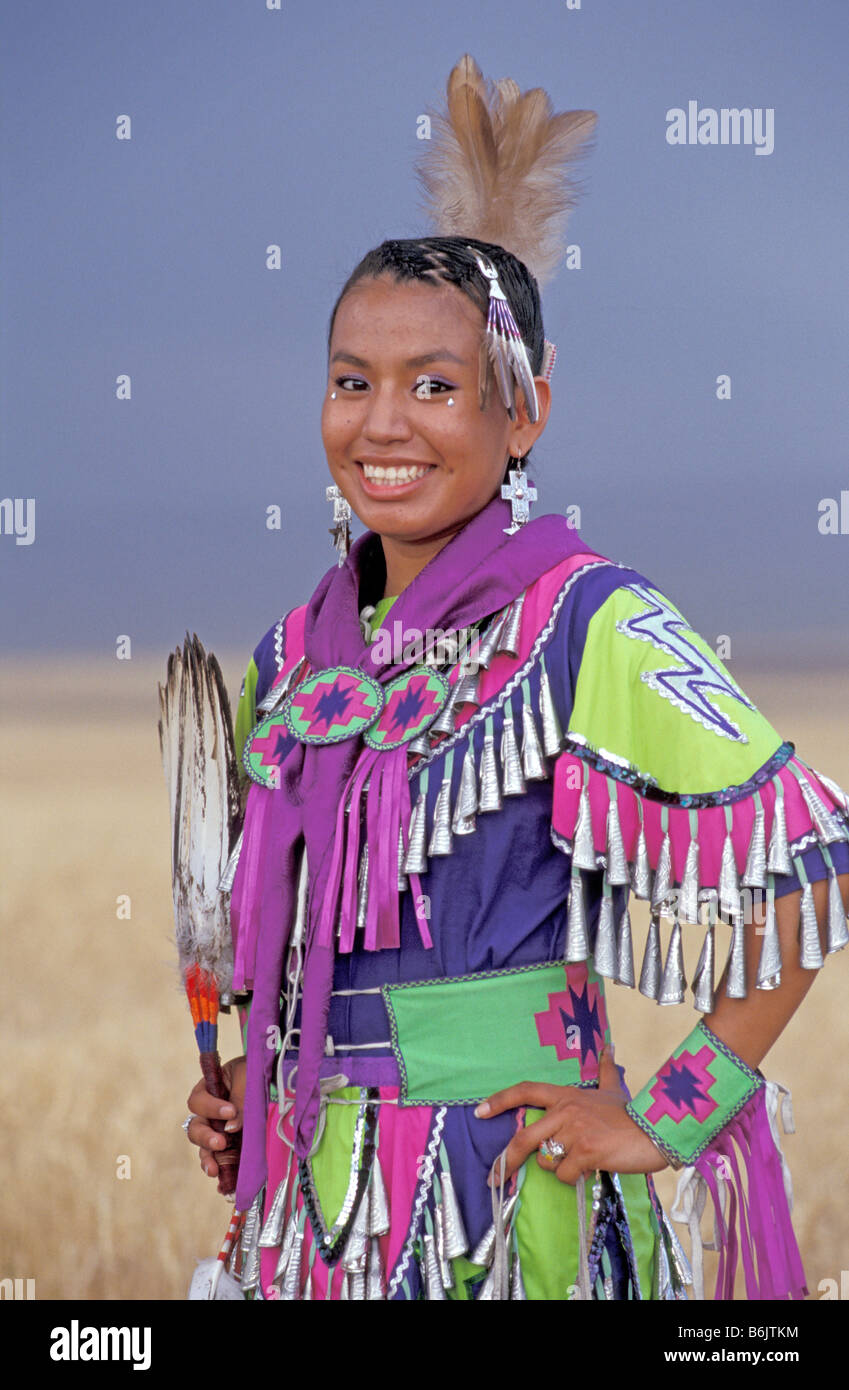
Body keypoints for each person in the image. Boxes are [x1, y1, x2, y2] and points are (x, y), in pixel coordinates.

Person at [183, 57, 849, 1301]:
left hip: (503, 1204)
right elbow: (303, 946)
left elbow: (810, 863)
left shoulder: (586, 620)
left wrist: (669, 1117)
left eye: (435, 385)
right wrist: (249, 1087)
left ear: (524, 409)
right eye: (351, 380)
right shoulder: (292, 658)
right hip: (311, 1218)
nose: (384, 423)